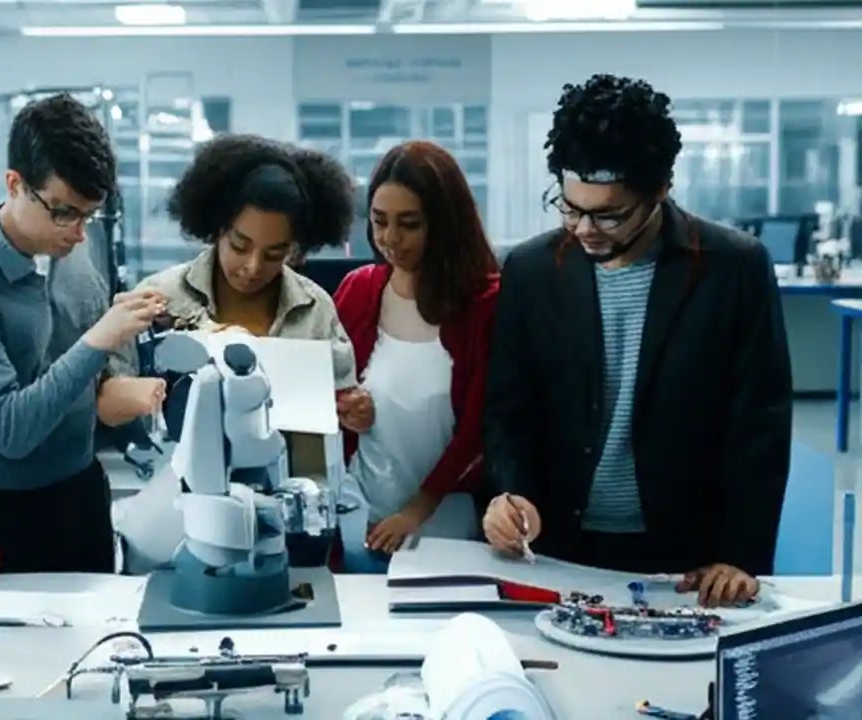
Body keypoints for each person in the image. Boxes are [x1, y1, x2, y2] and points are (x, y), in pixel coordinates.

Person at [481, 74, 792, 607]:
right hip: (557, 546)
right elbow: (510, 409)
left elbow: (758, 425)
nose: (584, 229)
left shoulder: (732, 268)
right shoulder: (532, 270)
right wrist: (508, 496)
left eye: (609, 214)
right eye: (570, 206)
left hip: (689, 561)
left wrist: (741, 555)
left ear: (661, 191)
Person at [0, 93, 166, 576]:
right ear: (15, 184)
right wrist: (98, 338)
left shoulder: (73, 247)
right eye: (64, 212)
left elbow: (88, 379)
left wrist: (131, 350)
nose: (78, 233)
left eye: (88, 215)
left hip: (79, 496)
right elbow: (10, 431)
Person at [332, 141, 500, 573]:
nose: (390, 238)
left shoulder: (486, 305)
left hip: (445, 521)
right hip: (361, 513)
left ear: (443, 225)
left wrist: (417, 510)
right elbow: (323, 396)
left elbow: (480, 429)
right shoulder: (358, 290)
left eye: (409, 224)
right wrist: (346, 410)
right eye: (379, 221)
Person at [106, 134, 357, 390]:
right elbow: (111, 398)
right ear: (217, 228)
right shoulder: (157, 298)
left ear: (296, 247)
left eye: (274, 254)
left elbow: (340, 398)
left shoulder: (315, 311)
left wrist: (353, 407)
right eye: (239, 246)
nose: (253, 266)